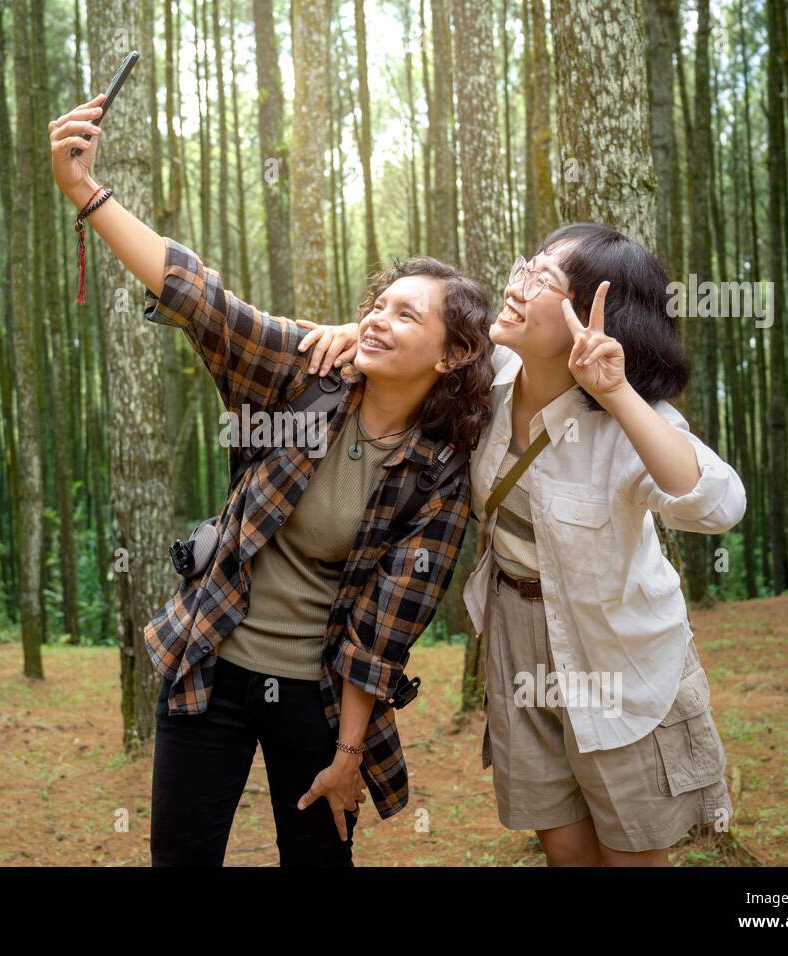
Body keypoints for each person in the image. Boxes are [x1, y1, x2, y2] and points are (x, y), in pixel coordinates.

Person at [49, 94, 496, 866]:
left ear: (453, 355)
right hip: (211, 661)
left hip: (318, 698)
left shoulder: (441, 473)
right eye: (377, 306)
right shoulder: (305, 374)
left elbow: (382, 632)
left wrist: (349, 754)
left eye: (407, 316)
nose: (381, 320)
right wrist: (86, 192)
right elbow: (203, 299)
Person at [317, 222, 746, 865]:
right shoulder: (488, 381)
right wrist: (360, 332)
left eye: (545, 279)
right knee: (563, 847)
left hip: (615, 655)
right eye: (526, 265)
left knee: (631, 850)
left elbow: (717, 504)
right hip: (516, 640)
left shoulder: (628, 423)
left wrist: (616, 392)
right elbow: (426, 342)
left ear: (599, 317)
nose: (517, 284)